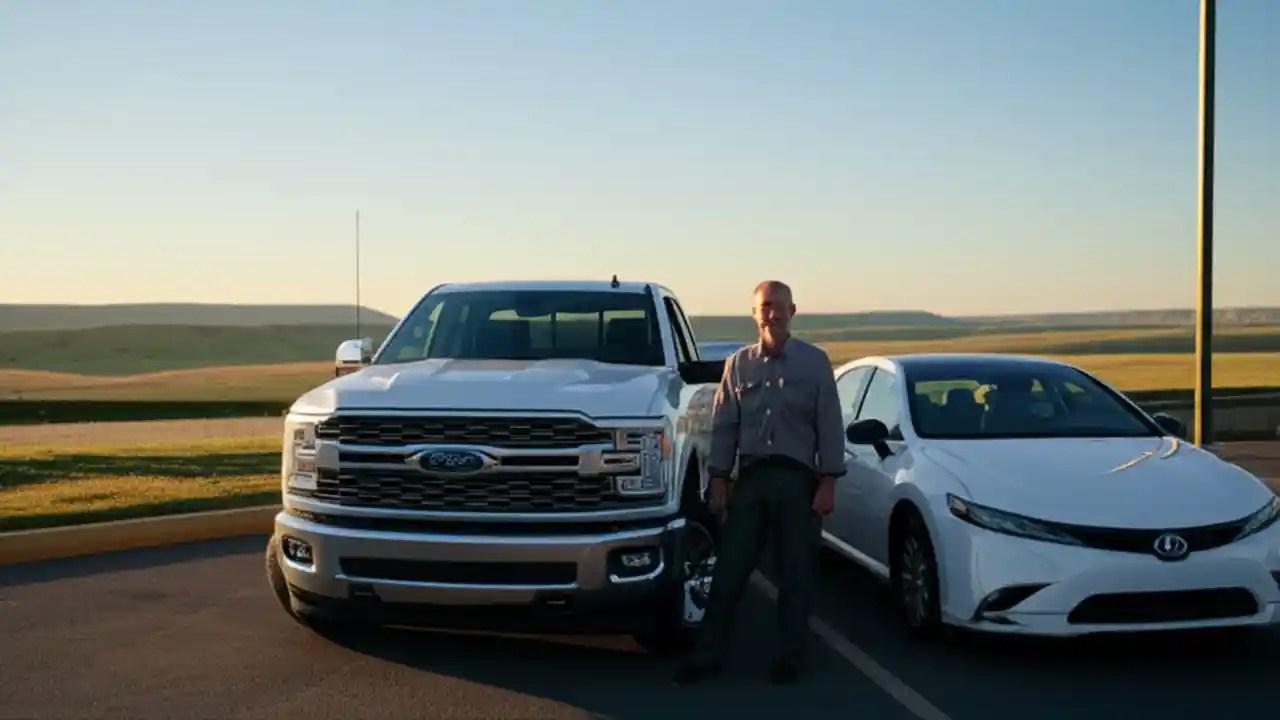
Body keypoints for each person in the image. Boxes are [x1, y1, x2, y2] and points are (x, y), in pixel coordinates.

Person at [674, 280, 846, 685]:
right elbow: (724, 427)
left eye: (779, 306)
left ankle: (791, 655)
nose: (771, 313)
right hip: (749, 480)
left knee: (796, 573)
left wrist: (829, 481)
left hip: (798, 482)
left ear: (792, 311)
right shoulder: (738, 365)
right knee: (730, 569)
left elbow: (829, 425)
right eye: (764, 306)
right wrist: (718, 477)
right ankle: (708, 654)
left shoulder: (815, 363)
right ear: (754, 313)